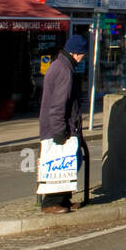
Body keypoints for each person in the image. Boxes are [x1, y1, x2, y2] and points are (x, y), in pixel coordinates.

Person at [37, 33, 87, 215]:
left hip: (58, 125)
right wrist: (60, 130)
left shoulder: (59, 65)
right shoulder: (65, 70)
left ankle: (63, 199)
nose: (83, 58)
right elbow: (59, 104)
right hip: (59, 127)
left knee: (71, 161)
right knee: (64, 162)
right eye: (82, 54)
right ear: (76, 53)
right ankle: (52, 202)